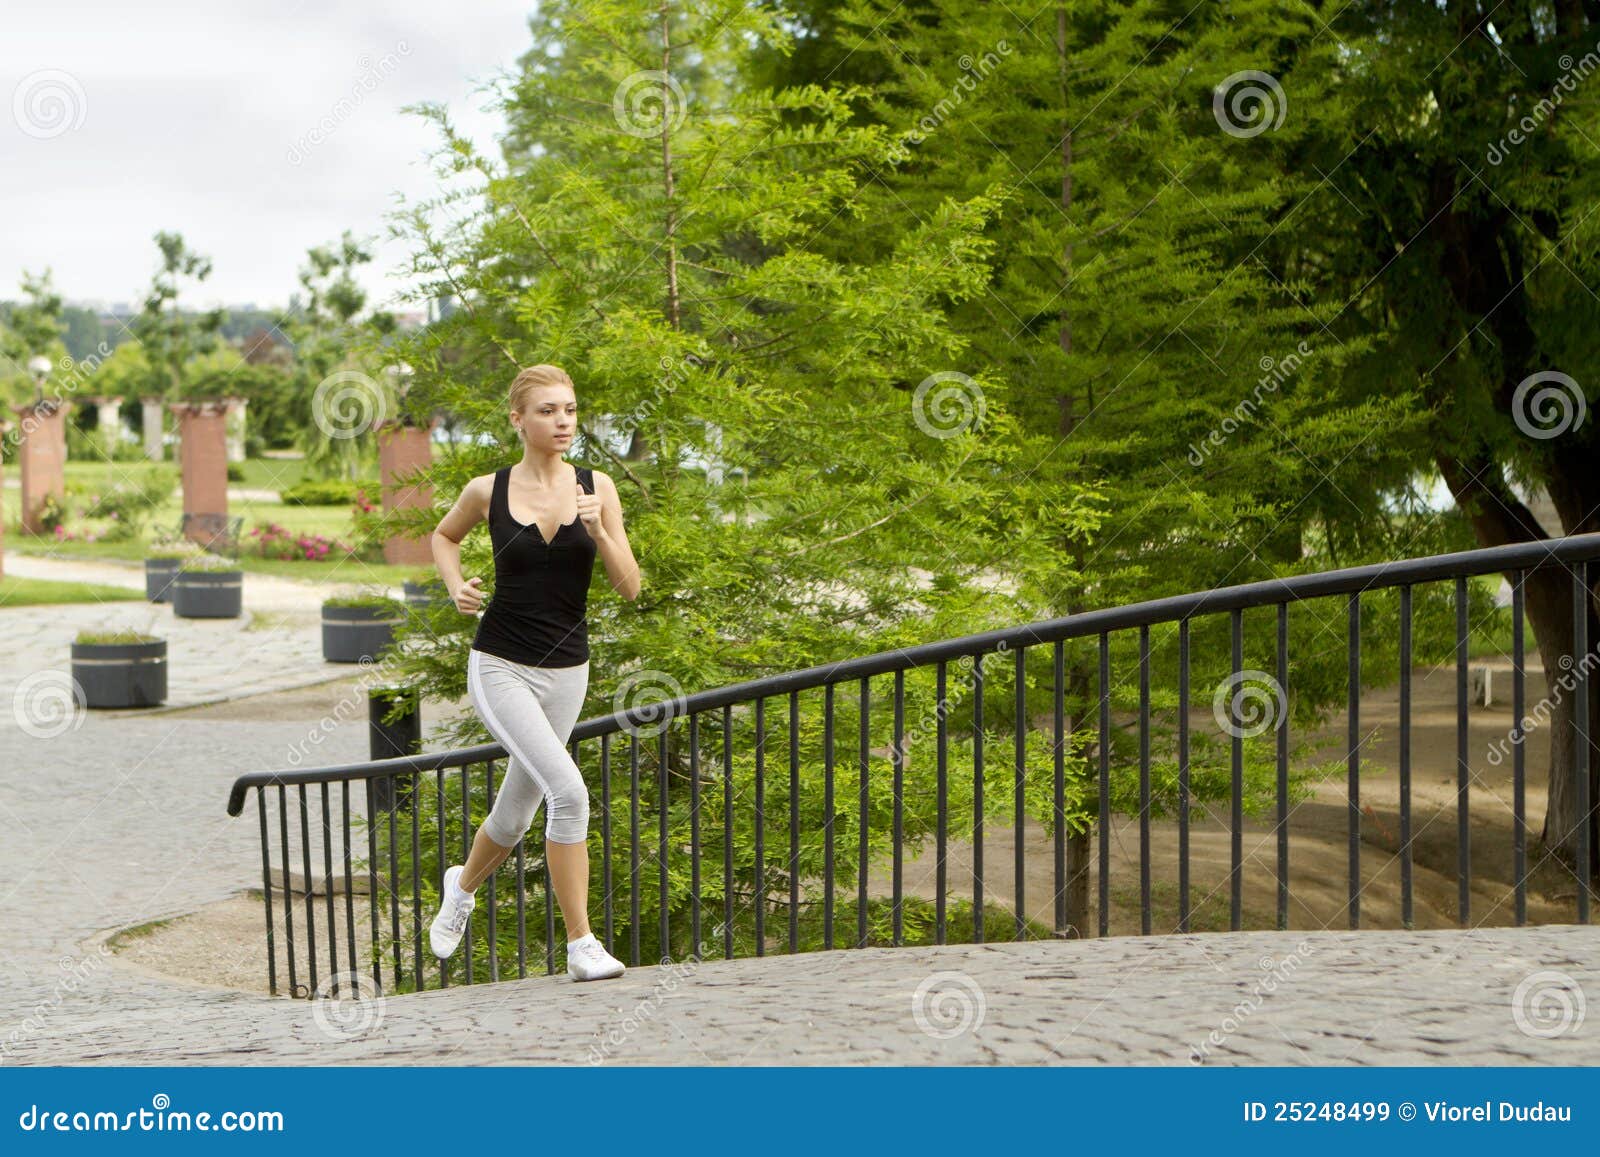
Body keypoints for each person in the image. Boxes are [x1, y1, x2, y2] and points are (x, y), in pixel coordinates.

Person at [425, 364, 642, 981]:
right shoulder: (486, 490)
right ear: (518, 420)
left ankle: (461, 889)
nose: (563, 421)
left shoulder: (596, 487)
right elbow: (444, 537)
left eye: (570, 409)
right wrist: (455, 586)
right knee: (569, 794)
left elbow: (630, 588)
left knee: (516, 816)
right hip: (500, 665)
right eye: (547, 410)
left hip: (568, 671)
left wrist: (600, 532)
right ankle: (582, 946)